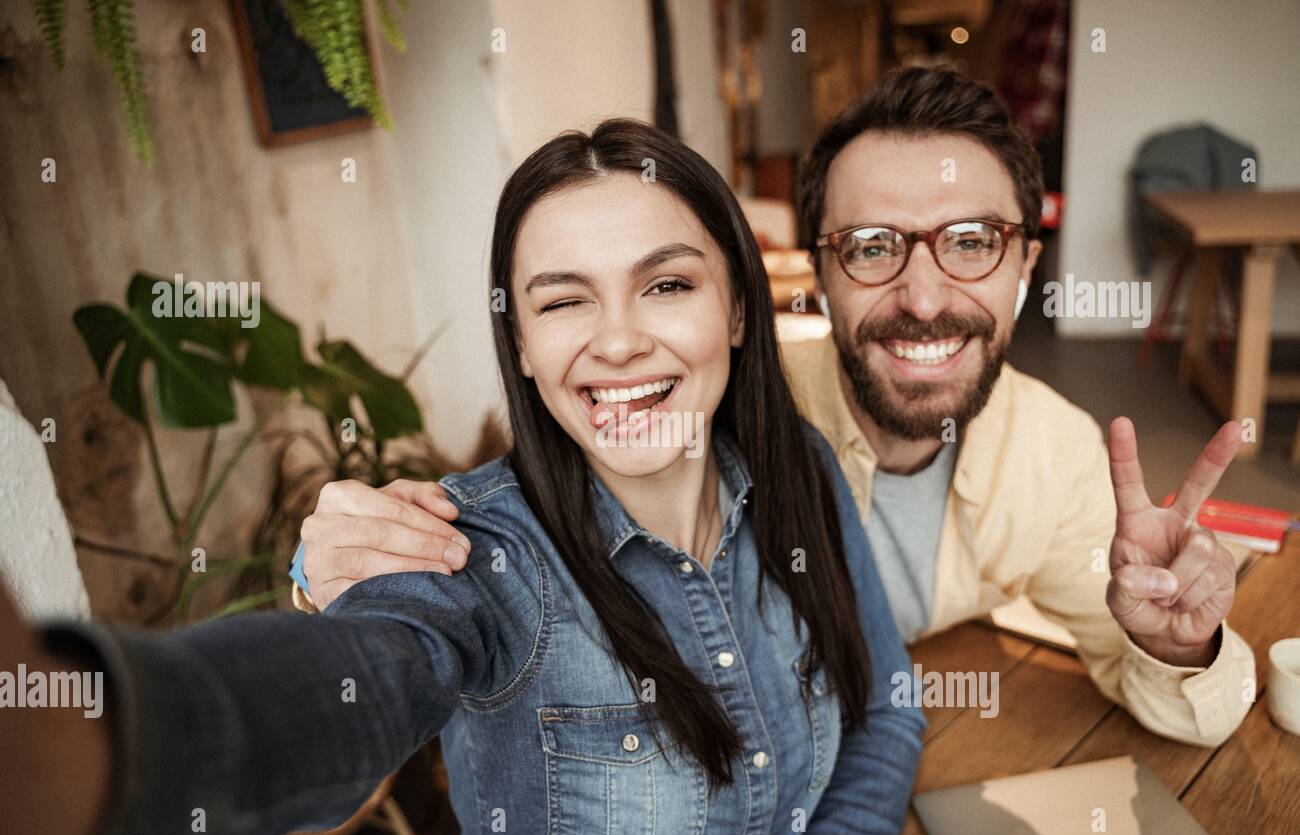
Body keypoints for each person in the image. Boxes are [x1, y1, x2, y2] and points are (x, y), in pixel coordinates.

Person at [0, 119, 923, 835]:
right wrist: (85, 744)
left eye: (667, 284)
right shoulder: (481, 553)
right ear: (522, 344)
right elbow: (354, 683)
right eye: (563, 301)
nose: (617, 340)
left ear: (735, 310)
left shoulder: (798, 466)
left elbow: (885, 706)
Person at [297, 68, 1252, 749]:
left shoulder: (1058, 453)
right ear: (816, 277)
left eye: (971, 240)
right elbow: (516, 547)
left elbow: (1171, 700)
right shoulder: (701, 409)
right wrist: (332, 577)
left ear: (1026, 265)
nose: (924, 297)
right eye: (873, 246)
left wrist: (1180, 642)